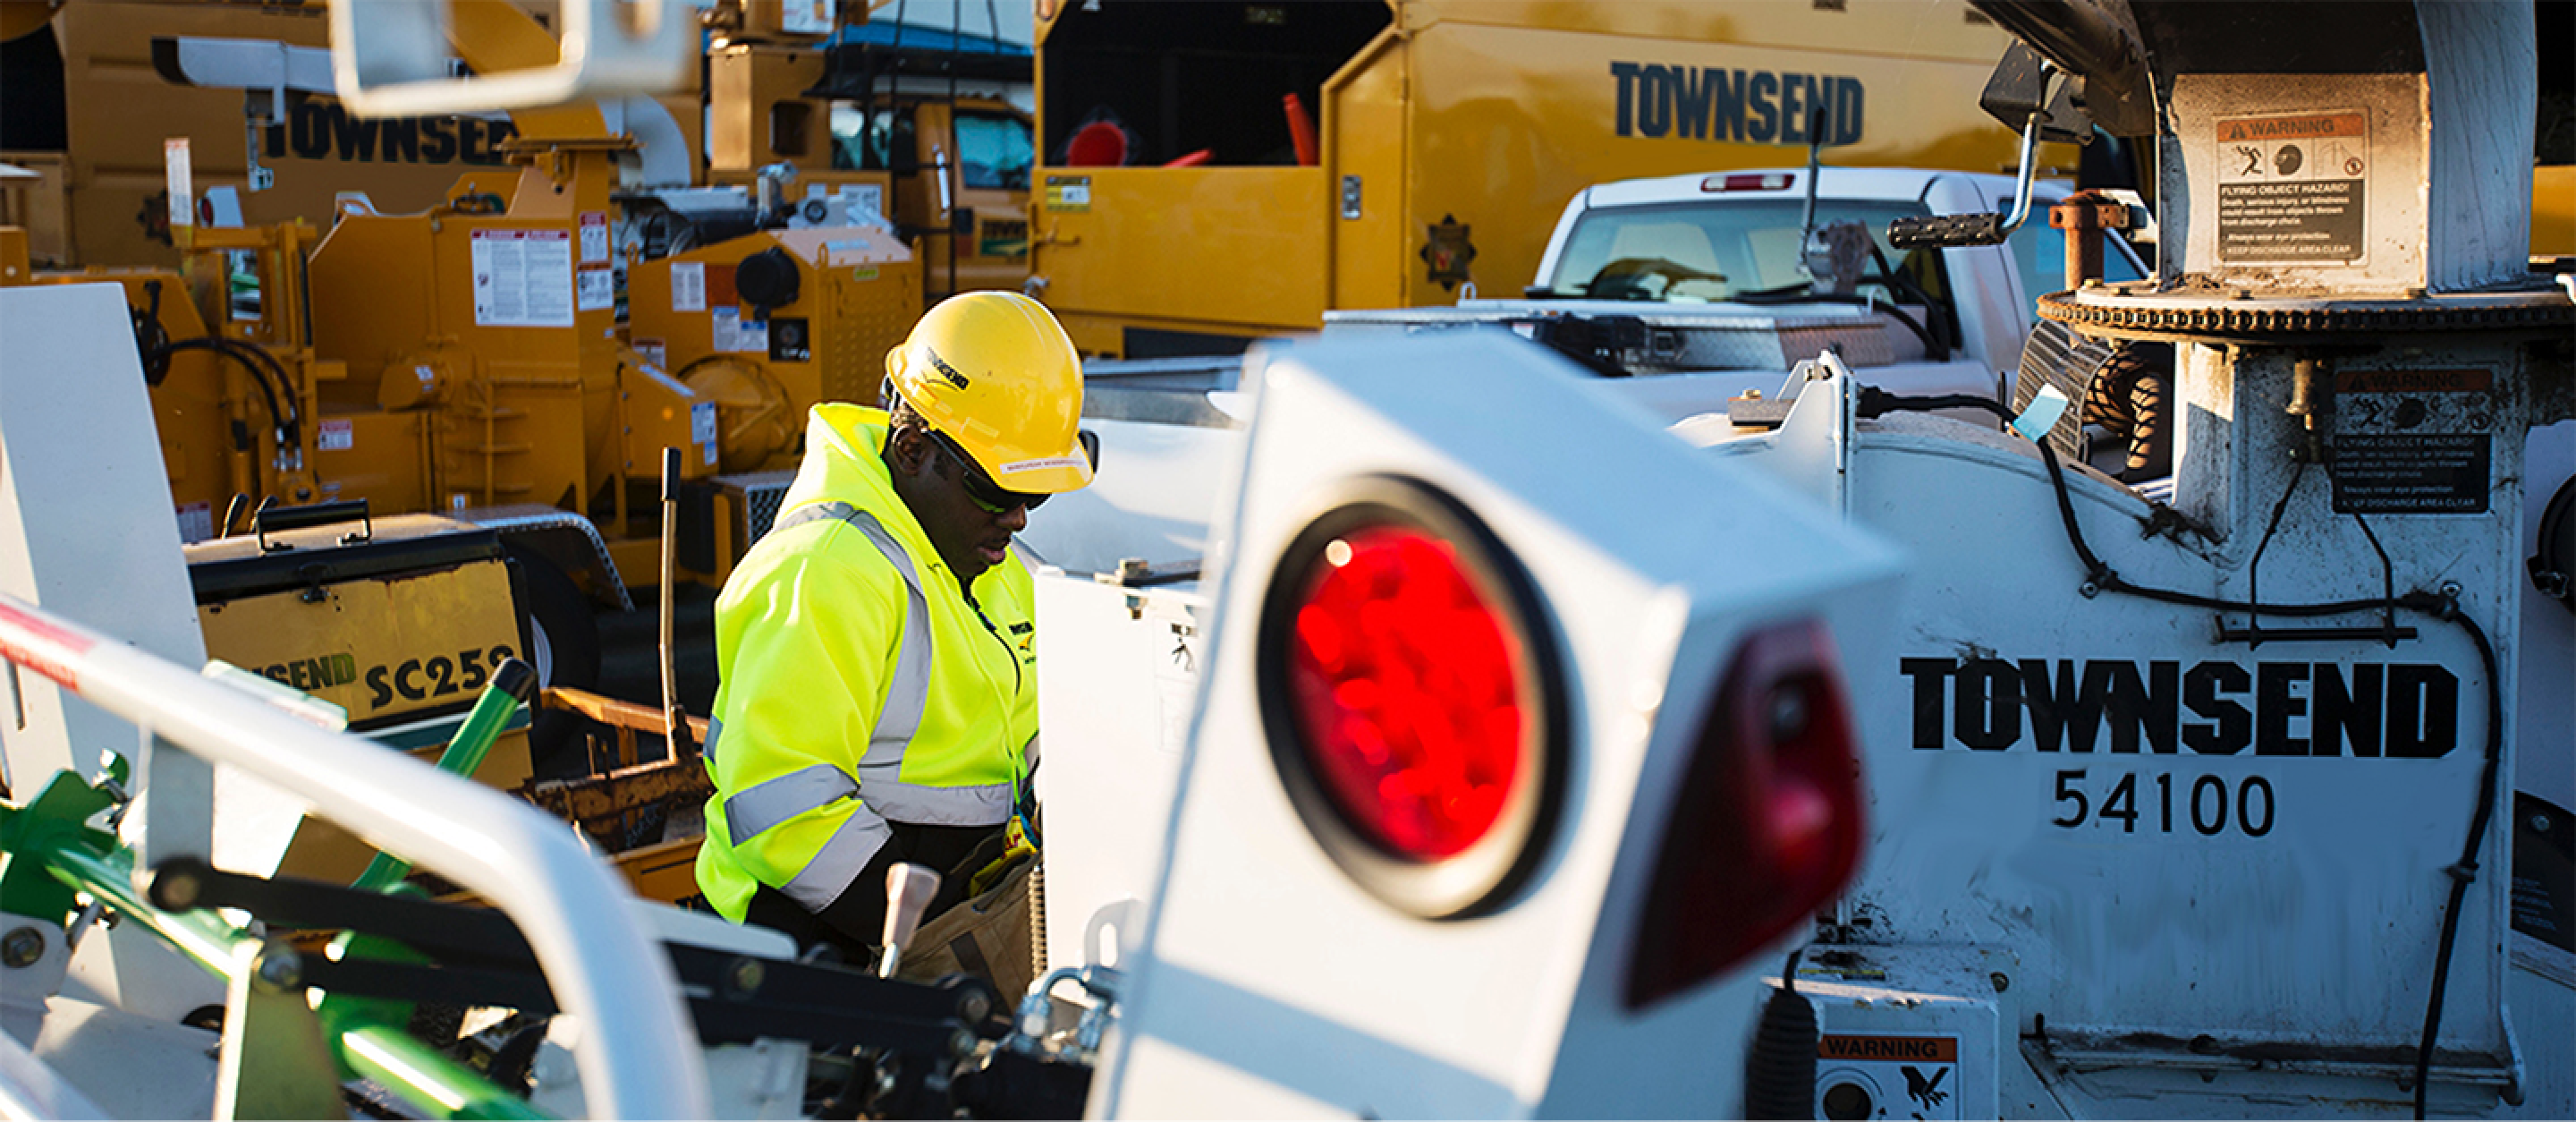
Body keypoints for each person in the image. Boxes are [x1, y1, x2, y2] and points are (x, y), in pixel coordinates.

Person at [694, 291, 1093, 961]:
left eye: (1036, 493)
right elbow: (783, 805)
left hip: (930, 900)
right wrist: (925, 932)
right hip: (801, 942)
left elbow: (1035, 729)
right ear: (911, 450)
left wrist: (1075, 821)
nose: (1019, 517)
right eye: (998, 491)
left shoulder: (997, 568)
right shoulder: (825, 570)